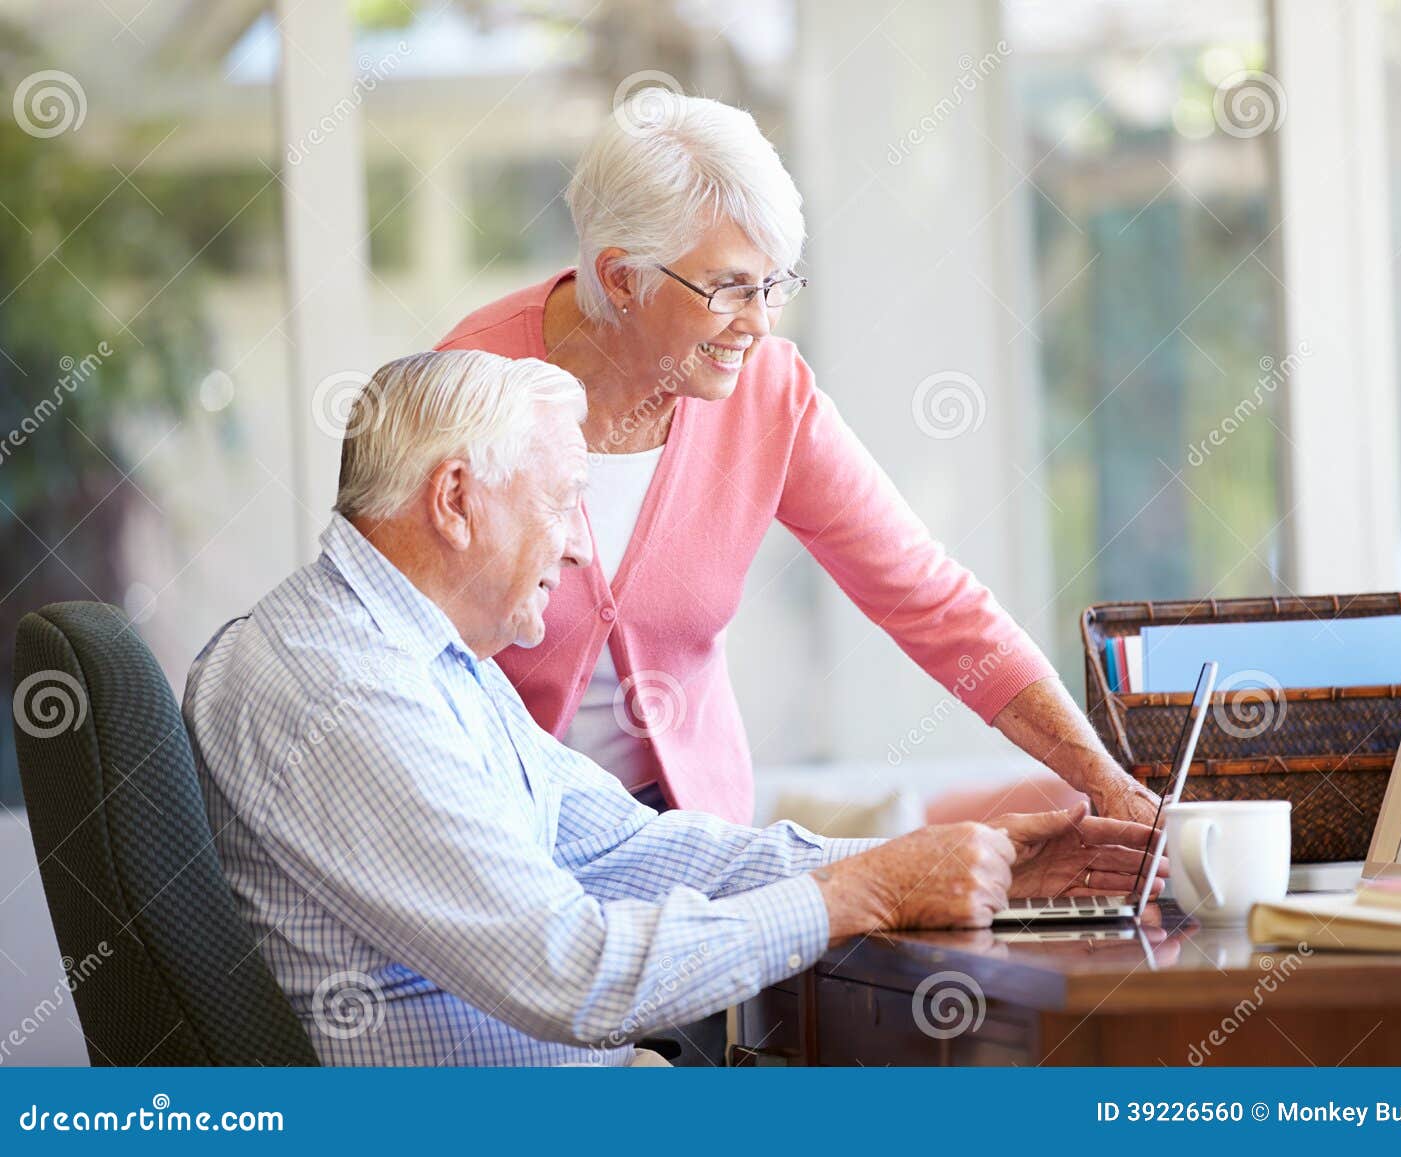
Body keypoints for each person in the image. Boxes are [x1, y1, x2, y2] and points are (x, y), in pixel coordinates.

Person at [182, 349, 1165, 1066]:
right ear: (454, 499)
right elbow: (574, 969)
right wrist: (861, 893)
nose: (578, 547)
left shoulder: (428, 659)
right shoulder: (344, 689)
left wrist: (955, 866)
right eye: (563, 502)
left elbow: (626, 849)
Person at [436, 92, 1156, 827]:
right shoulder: (464, 386)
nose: (759, 322)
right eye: (730, 288)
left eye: (775, 284)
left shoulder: (769, 395)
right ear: (621, 277)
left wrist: (1102, 777)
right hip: (499, 829)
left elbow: (928, 598)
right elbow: (389, 640)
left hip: (691, 837)